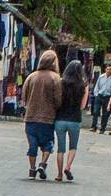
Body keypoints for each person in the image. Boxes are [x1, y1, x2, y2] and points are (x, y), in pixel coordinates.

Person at [22, 49, 61, 180]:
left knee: (32, 145)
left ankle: (31, 170)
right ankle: (43, 164)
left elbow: (24, 96)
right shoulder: (55, 78)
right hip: (48, 118)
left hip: (31, 117)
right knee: (47, 144)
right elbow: (58, 99)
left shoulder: (31, 76)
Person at [53, 59, 87, 182]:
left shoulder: (60, 83)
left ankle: (59, 175)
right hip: (75, 120)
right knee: (73, 146)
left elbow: (56, 100)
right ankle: (68, 167)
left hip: (60, 119)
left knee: (60, 148)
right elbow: (82, 106)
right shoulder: (83, 85)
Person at [92, 64, 111, 132]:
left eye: (110, 69)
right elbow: (97, 86)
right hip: (99, 95)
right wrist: (96, 94)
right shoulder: (101, 76)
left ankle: (102, 128)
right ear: (105, 69)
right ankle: (94, 127)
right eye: (107, 69)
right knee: (95, 111)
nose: (108, 71)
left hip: (108, 97)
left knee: (105, 113)